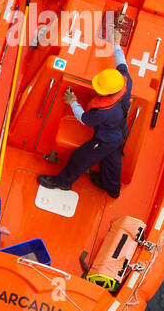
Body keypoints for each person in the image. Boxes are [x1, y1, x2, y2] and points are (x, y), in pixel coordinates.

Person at [37, 43, 132, 198]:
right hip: (119, 133)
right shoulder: (125, 81)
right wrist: (116, 43)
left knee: (80, 158)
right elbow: (122, 62)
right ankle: (112, 189)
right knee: (112, 162)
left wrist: (72, 101)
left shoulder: (104, 112)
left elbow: (85, 119)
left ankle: (64, 182)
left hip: (104, 140)